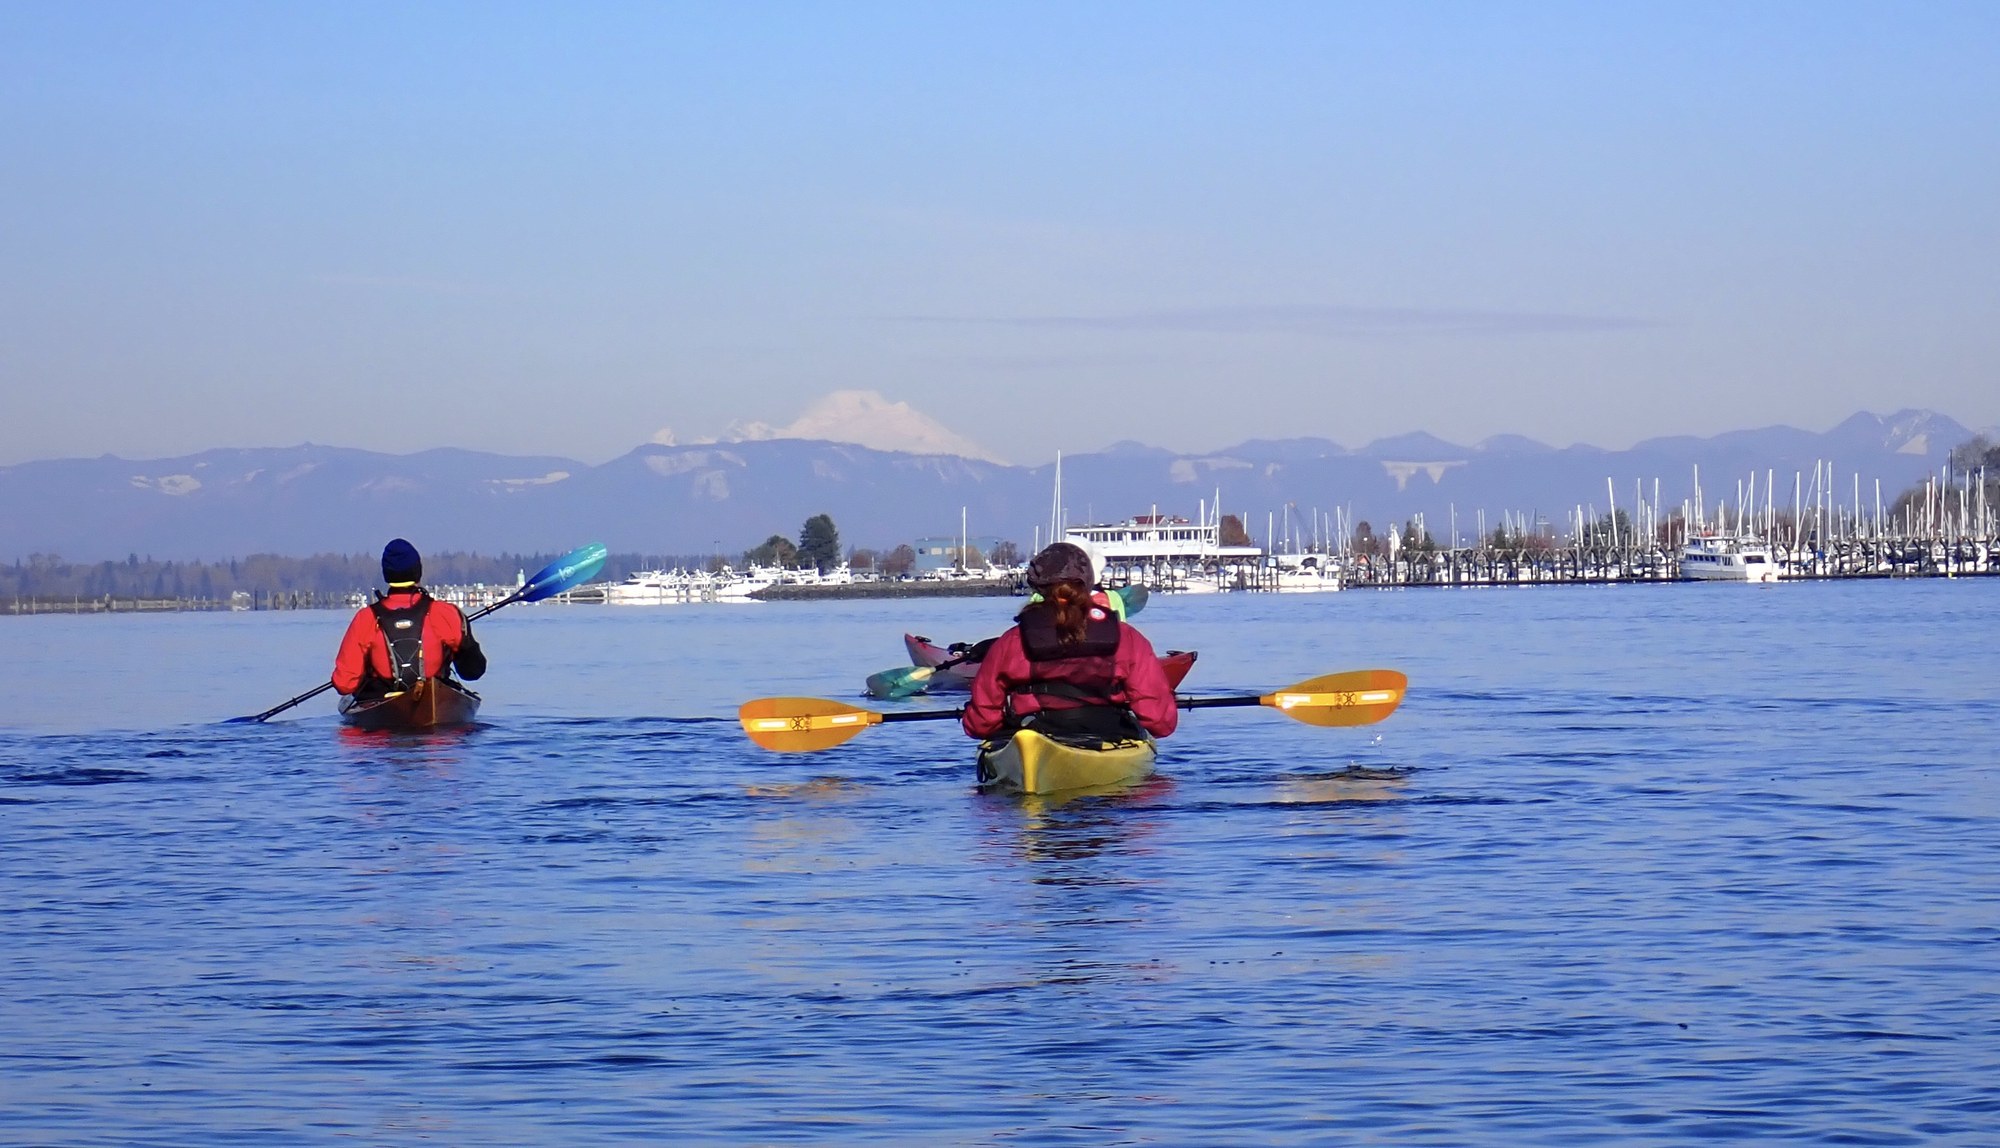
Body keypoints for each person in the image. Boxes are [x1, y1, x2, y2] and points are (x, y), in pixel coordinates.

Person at [961, 542, 1178, 744]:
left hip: (1032, 736)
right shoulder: (1128, 639)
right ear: (1088, 582)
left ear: (1038, 587)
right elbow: (1160, 722)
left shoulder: (1010, 642)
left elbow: (980, 724)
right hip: (1107, 735)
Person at [333, 539, 486, 698]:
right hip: (436, 699)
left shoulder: (366, 619)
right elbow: (473, 671)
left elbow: (344, 683)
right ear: (418, 571)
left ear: (386, 574)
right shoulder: (445, 613)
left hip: (383, 706)